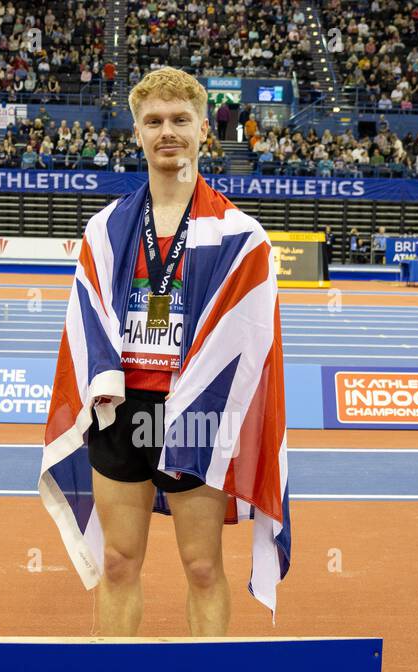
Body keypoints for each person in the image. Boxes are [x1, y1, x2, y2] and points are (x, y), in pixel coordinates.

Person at [38, 67, 292, 636]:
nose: (167, 131)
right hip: (122, 409)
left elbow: (250, 338)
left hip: (199, 414)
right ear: (136, 133)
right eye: (153, 121)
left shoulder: (241, 235)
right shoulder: (105, 230)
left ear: (205, 129)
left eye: (180, 120)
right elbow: (88, 319)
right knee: (119, 561)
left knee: (202, 566)